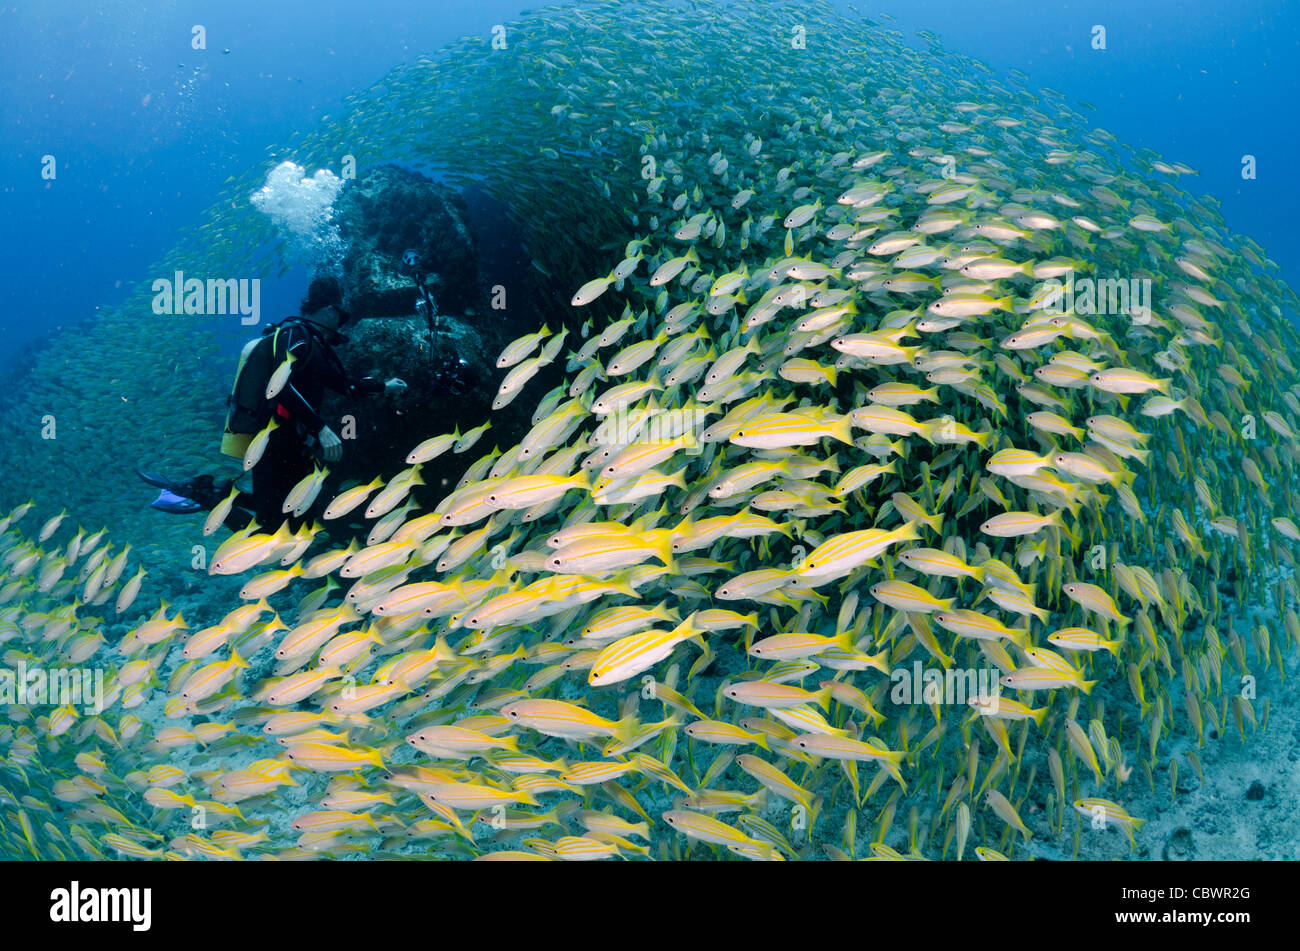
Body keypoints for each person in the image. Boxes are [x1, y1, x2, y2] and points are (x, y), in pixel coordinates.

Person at [140, 276, 406, 530]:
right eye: (340, 315)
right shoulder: (296, 336)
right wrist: (321, 429)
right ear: (328, 310)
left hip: (293, 445)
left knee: (293, 515)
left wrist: (384, 386)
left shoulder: (313, 345)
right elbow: (278, 388)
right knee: (271, 526)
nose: (340, 323)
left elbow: (344, 384)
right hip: (273, 442)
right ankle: (205, 496)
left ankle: (212, 491)